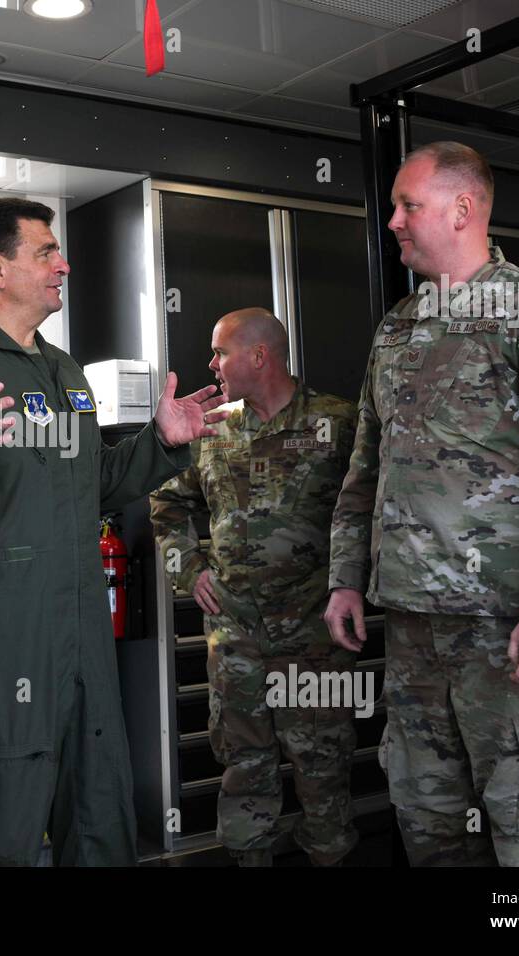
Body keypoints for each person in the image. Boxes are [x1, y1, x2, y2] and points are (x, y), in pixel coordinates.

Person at [0, 197, 227, 866]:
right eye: (46, 252)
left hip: (80, 633)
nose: (63, 264)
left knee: (100, 813)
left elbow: (87, 487)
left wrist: (160, 442)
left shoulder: (65, 373)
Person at [324, 141, 519, 867]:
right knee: (426, 823)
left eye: (407, 206)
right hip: (415, 628)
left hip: (507, 629)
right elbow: (368, 464)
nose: (392, 221)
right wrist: (346, 575)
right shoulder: (399, 328)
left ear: (462, 209)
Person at [150, 308, 359, 866]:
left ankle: (330, 857)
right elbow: (166, 503)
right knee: (244, 763)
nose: (212, 364)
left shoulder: (338, 423)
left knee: (322, 763)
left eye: (220, 353)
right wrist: (188, 567)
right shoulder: (214, 429)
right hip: (235, 635)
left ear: (259, 356)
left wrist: (354, 585)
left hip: (313, 634)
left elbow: (373, 508)